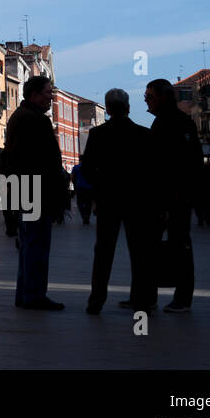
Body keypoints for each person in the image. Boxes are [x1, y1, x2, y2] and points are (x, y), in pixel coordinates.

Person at [81, 89, 161, 314]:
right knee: (139, 252)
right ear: (128, 108)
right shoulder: (144, 135)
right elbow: (155, 171)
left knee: (103, 252)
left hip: (108, 201)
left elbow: (86, 170)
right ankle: (142, 300)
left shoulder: (97, 135)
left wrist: (100, 187)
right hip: (138, 201)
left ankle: (96, 301)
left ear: (106, 109)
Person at [1, 75, 68, 310]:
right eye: (48, 92)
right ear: (34, 94)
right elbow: (42, 160)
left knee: (30, 243)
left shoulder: (21, 117)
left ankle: (26, 293)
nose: (51, 97)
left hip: (26, 188)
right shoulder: (34, 120)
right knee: (37, 244)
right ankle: (34, 295)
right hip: (35, 190)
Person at [147, 78, 202, 313]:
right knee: (170, 245)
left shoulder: (171, 124)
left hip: (172, 197)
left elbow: (180, 164)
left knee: (178, 245)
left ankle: (180, 297)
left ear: (164, 97)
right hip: (169, 196)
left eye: (150, 97)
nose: (147, 101)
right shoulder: (172, 123)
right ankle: (158, 294)